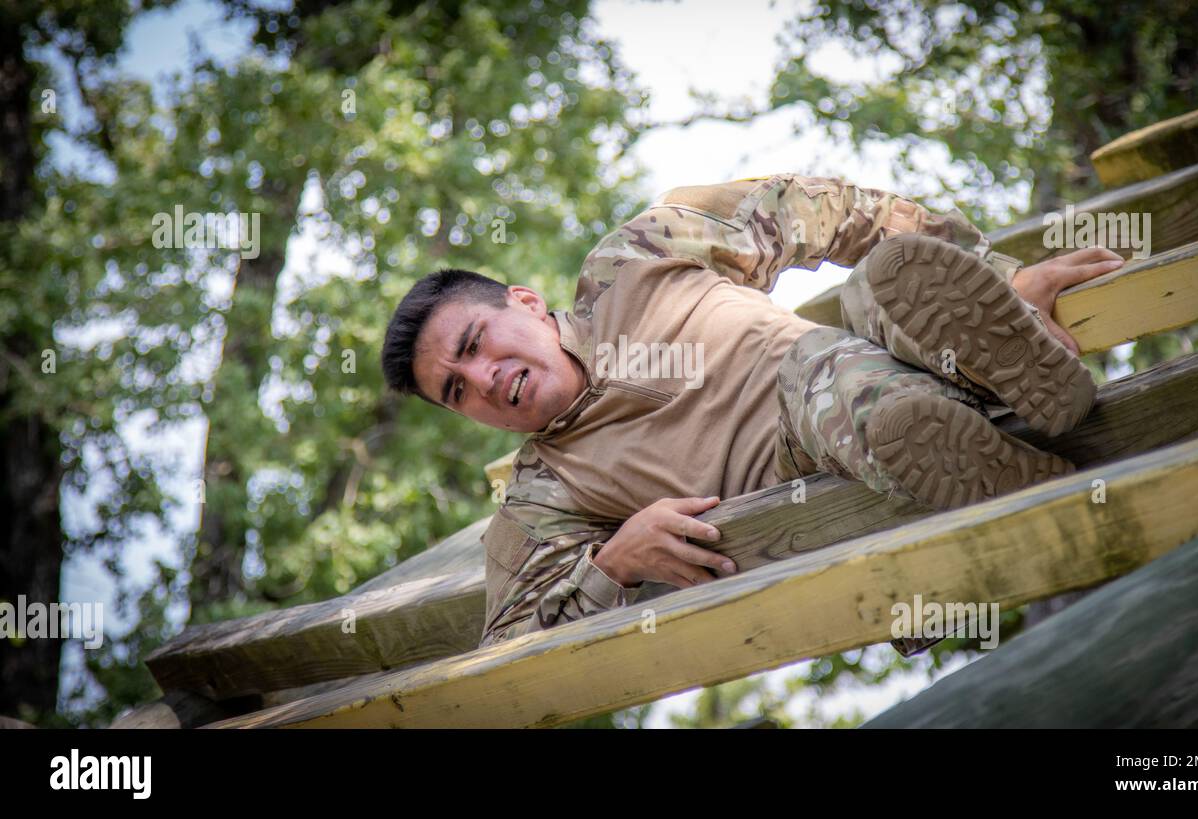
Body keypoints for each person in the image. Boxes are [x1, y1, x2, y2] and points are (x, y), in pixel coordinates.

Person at [380, 173, 1125, 649]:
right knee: (823, 378)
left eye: (475, 343)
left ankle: (1002, 366)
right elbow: (510, 655)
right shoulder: (545, 494)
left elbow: (814, 208)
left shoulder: (634, 260)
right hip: (832, 505)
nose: (483, 379)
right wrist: (613, 563)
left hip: (902, 366)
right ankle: (951, 443)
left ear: (526, 303)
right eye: (456, 389)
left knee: (882, 281)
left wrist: (1003, 275)